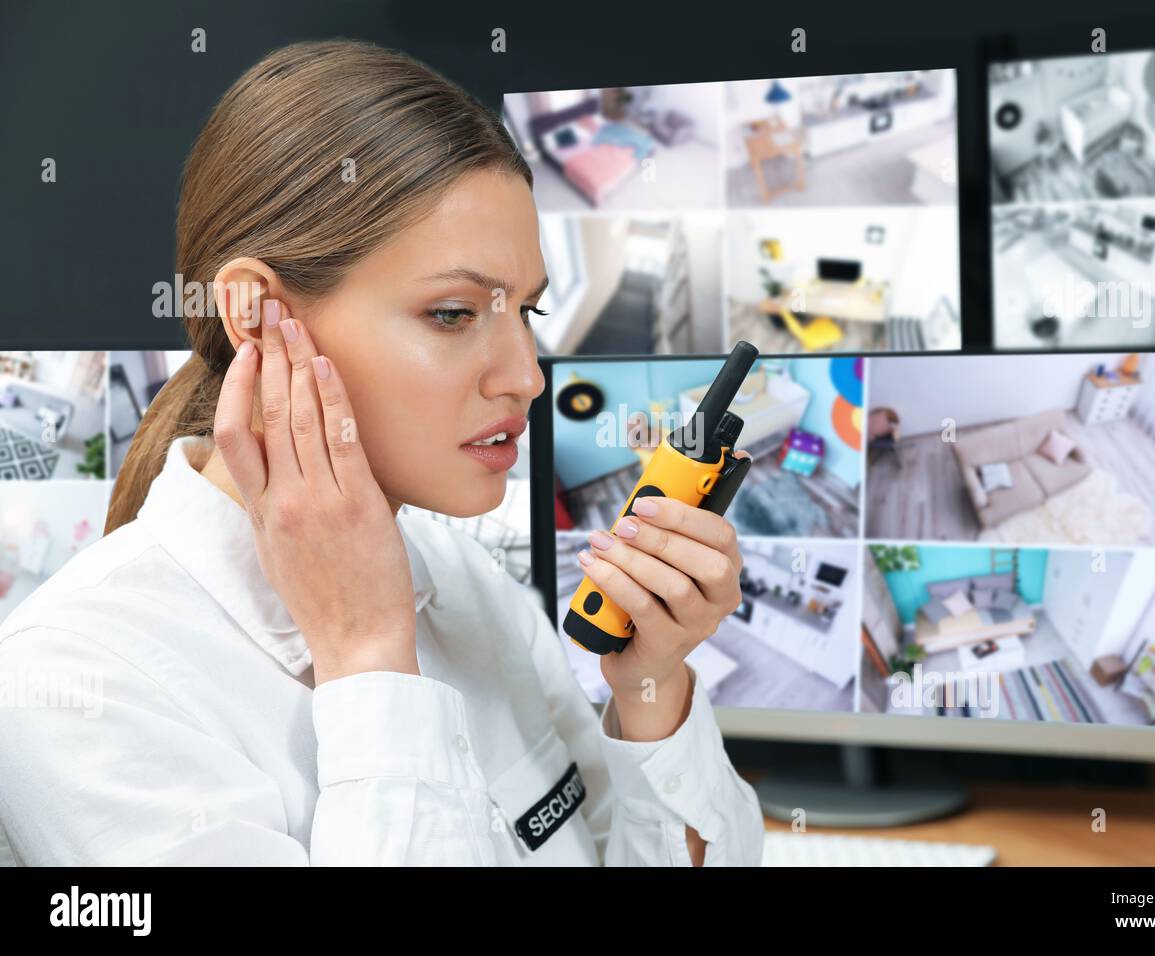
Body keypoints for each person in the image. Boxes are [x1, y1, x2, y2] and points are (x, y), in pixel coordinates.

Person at [0, 39, 765, 866]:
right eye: (452, 314)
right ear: (257, 315)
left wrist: (651, 686)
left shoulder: (460, 576)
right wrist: (368, 658)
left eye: (527, 315)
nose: (524, 379)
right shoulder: (78, 686)